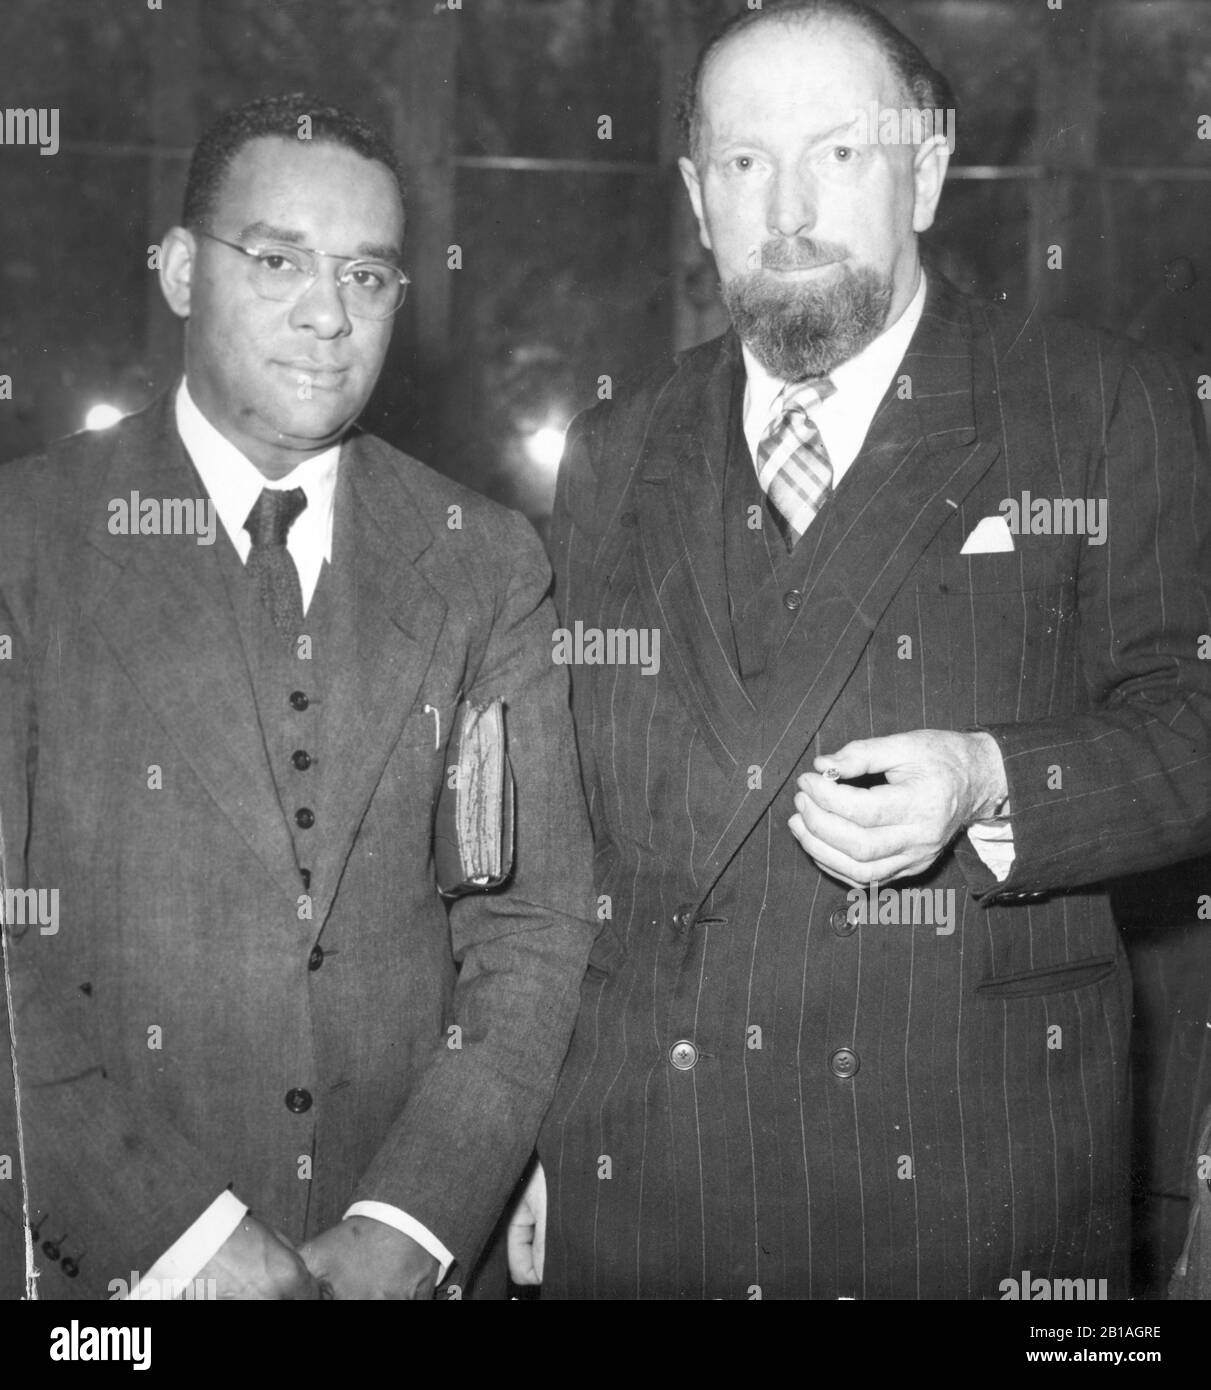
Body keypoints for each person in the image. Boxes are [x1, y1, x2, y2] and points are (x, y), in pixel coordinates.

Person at [508, 0, 1211, 1299]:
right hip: (647, 1179)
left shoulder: (1096, 405)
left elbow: (1191, 724)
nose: (786, 209)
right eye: (742, 161)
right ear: (696, 197)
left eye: (837, 153)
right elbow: (572, 839)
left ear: (924, 173)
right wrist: (537, 1143)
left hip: (962, 1190)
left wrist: (988, 776)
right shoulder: (615, 449)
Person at [0, 93, 596, 1300]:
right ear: (180, 271)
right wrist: (176, 1236)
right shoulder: (26, 542)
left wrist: (409, 1226)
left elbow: (532, 928)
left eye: (367, 276)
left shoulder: (484, 559)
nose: (328, 315)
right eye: (277, 261)